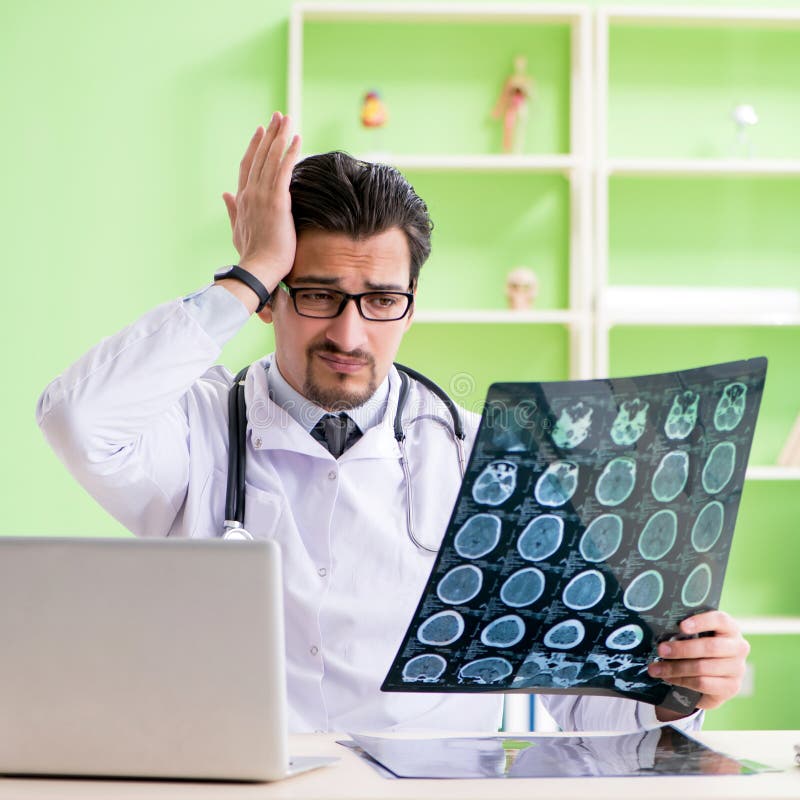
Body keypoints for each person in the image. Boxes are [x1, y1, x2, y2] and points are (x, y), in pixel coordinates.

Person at [37, 111, 750, 734]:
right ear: (268, 298)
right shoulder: (195, 433)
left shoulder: (488, 456)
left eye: (381, 300)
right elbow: (77, 418)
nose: (349, 336)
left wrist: (678, 689)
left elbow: (585, 706)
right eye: (319, 295)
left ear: (411, 304)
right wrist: (251, 268)